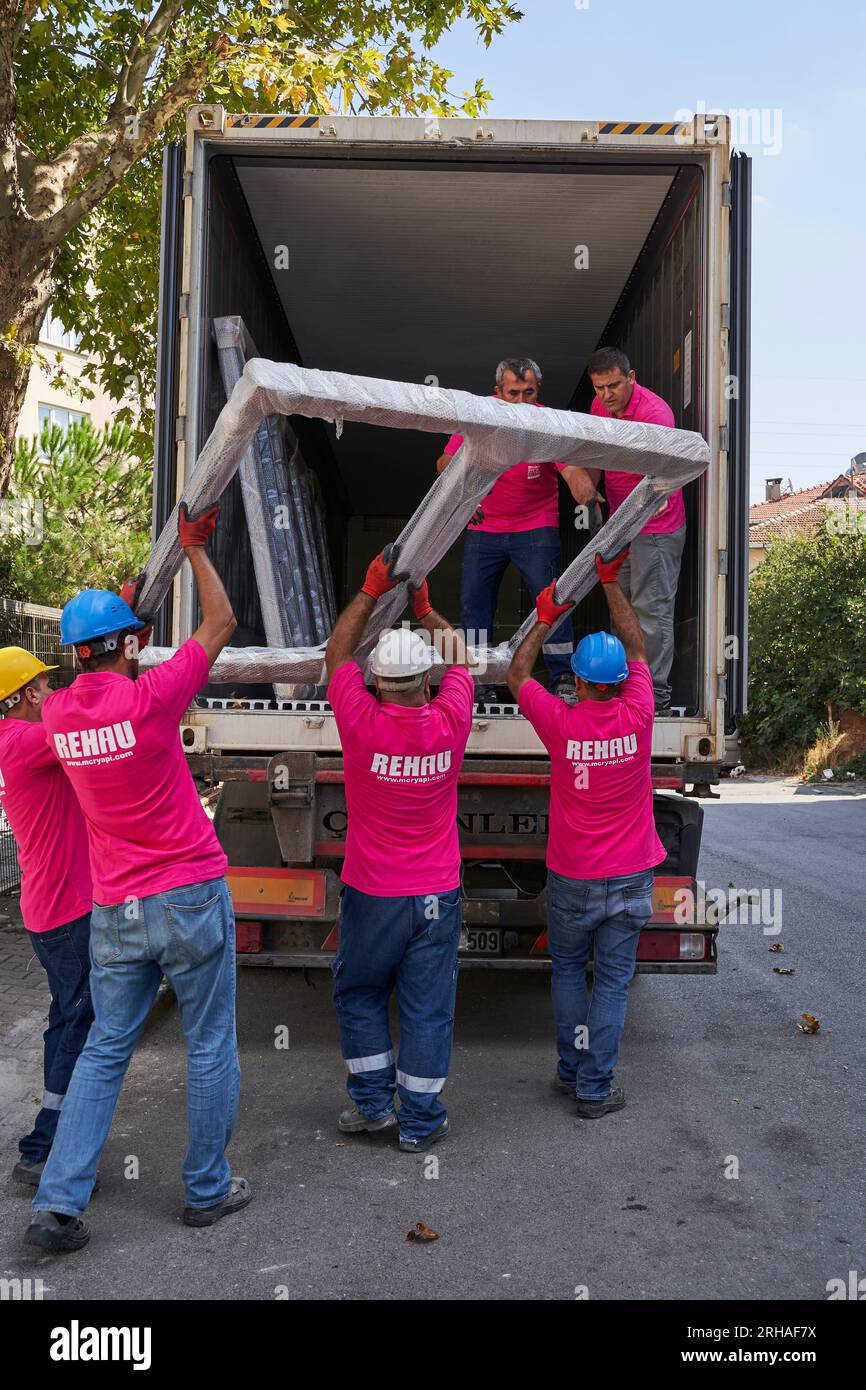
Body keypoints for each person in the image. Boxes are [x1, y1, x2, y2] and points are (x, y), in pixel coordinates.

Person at [26, 502, 247, 1252]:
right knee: (211, 1042)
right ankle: (207, 1191)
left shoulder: (55, 715)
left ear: (73, 652)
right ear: (131, 645)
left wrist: (123, 621)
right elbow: (220, 623)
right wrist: (192, 551)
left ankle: (58, 1203)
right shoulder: (153, 699)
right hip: (188, 894)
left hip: (115, 909)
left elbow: (102, 677)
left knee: (105, 1047)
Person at [506, 545, 665, 1118]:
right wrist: (609, 581)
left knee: (569, 971)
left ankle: (572, 1072)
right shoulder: (640, 712)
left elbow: (516, 673)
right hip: (629, 877)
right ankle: (596, 1088)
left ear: (576, 680)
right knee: (614, 983)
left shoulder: (559, 721)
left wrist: (547, 615)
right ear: (621, 682)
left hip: (573, 877)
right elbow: (640, 643)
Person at [325, 546, 474, 1153]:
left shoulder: (360, 720)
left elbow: (336, 655)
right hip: (437, 892)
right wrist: (427, 611)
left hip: (372, 893)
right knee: (427, 1006)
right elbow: (464, 657)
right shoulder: (451, 719)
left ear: (378, 681)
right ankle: (420, 1122)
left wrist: (369, 589)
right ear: (427, 681)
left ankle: (371, 1107)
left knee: (360, 993)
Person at [436, 356, 599, 703]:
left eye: (529, 393)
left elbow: (571, 471)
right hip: (486, 528)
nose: (522, 402)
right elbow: (444, 462)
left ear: (537, 391)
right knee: (475, 607)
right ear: (498, 392)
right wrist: (465, 493)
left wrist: (589, 498)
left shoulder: (547, 423)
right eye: (514, 394)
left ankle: (563, 681)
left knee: (553, 602)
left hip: (536, 527)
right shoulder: (479, 416)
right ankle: (480, 685)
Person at [0, 648, 94, 1187]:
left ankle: (50, 1139)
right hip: (66, 916)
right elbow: (87, 718)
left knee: (68, 1019)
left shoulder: (21, 742)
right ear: (26, 694)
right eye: (40, 685)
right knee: (78, 1027)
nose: (47, 692)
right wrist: (105, 667)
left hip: (53, 912)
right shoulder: (24, 742)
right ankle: (45, 1148)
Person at [586, 346, 686, 712]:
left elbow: (664, 474)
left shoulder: (656, 414)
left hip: (656, 526)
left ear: (632, 377)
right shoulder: (601, 407)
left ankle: (654, 695)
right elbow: (594, 456)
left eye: (614, 385)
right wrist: (588, 491)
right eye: (599, 388)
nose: (607, 395)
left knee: (651, 609)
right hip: (621, 525)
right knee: (621, 609)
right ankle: (624, 687)